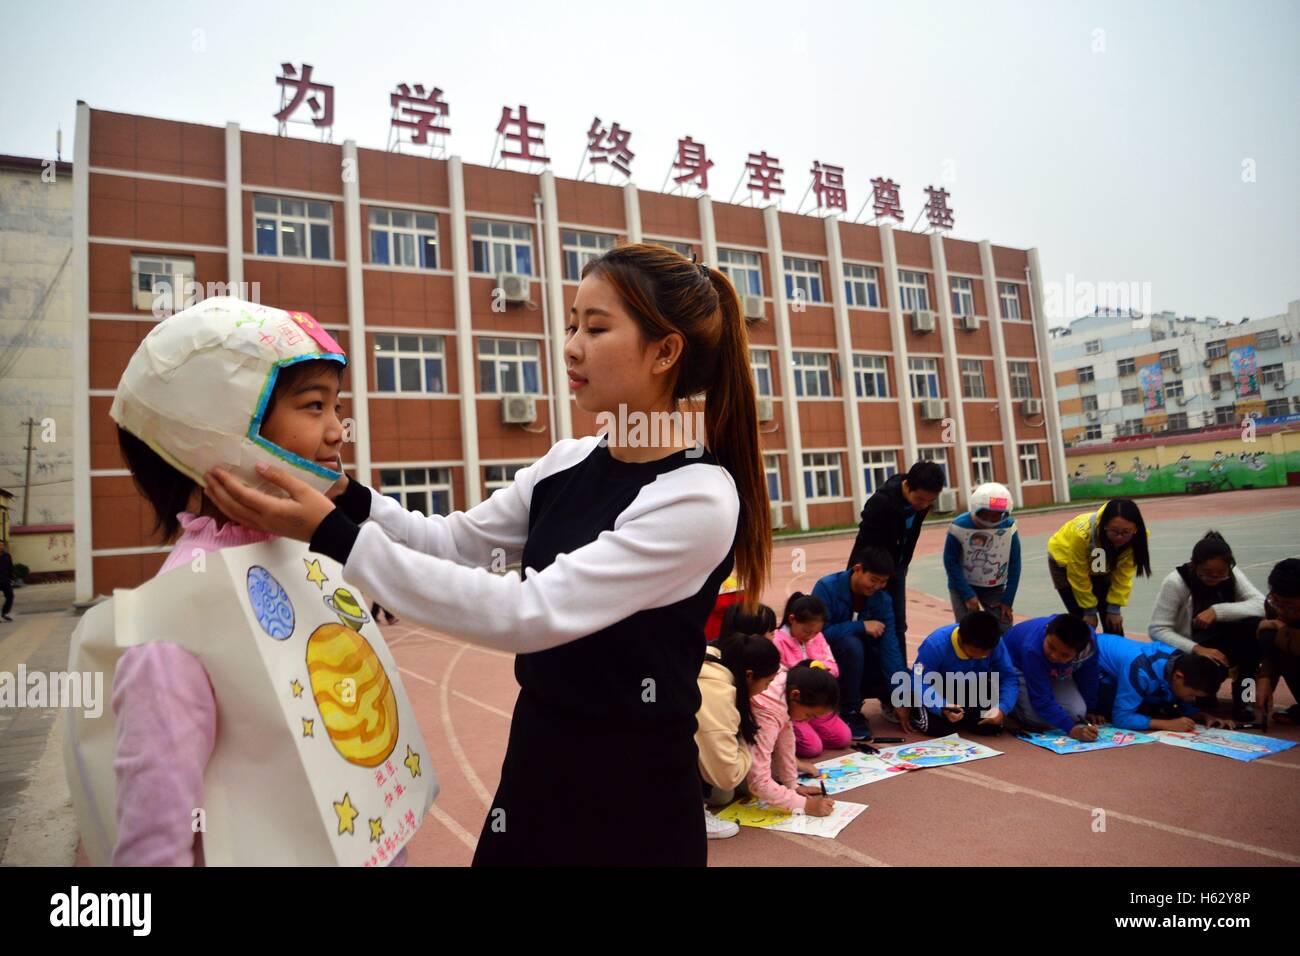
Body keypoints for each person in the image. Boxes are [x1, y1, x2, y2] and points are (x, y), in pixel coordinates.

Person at [205, 244, 771, 866]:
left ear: (666, 352)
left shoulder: (697, 496)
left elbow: (531, 612)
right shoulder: (568, 461)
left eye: (598, 327)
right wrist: (347, 498)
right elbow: (455, 542)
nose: (573, 346)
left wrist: (334, 535)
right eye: (573, 324)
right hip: (536, 758)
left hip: (631, 790)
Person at [70, 297, 427, 865]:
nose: (338, 432)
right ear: (220, 433)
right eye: (315, 407)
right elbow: (153, 848)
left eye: (336, 407)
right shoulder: (173, 624)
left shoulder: (305, 555)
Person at [846, 461, 945, 692]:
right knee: (862, 625)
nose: (924, 506)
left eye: (930, 501)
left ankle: (898, 690)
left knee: (897, 625)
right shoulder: (881, 503)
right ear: (907, 486)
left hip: (895, 570)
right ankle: (859, 690)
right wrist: (872, 578)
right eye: (920, 500)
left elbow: (910, 536)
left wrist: (900, 568)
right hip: (869, 570)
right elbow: (867, 543)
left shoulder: (921, 501)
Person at [1148, 531, 1264, 720]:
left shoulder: (1232, 575)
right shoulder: (1176, 582)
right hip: (1191, 646)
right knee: (1207, 673)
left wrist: (1217, 611)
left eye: (1221, 574)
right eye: (1207, 574)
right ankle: (1205, 691)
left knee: (1254, 628)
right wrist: (1197, 649)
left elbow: (1261, 604)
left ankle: (1245, 699)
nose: (1215, 579)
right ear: (1194, 566)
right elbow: (1157, 629)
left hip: (1223, 640)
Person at [696, 632, 780, 838]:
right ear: (749, 675)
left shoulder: (715, 657)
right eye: (767, 683)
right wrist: (743, 740)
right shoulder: (717, 695)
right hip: (644, 752)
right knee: (725, 785)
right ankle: (688, 814)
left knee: (722, 796)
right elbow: (728, 776)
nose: (766, 689)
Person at [812, 546, 901, 740]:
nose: (876, 586)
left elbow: (890, 646)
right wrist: (861, 626)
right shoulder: (827, 588)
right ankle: (850, 711)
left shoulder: (882, 600)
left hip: (864, 663)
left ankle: (890, 702)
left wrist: (900, 696)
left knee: (896, 664)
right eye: (873, 580)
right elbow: (817, 634)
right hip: (830, 663)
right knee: (851, 644)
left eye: (883, 582)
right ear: (858, 569)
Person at [746, 661, 840, 816]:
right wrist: (804, 805)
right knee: (726, 793)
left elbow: (786, 739)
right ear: (795, 695)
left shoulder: (785, 682)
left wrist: (791, 784)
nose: (807, 722)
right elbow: (758, 782)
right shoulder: (768, 710)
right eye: (809, 715)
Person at [904, 610, 1018, 736]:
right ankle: (915, 709)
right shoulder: (935, 645)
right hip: (937, 689)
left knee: (989, 726)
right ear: (960, 638)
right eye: (973, 652)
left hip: (971, 687)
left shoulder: (994, 643)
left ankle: (966, 715)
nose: (981, 656)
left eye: (986, 653)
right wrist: (942, 706)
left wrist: (1002, 708)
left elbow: (1009, 677)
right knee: (937, 728)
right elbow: (918, 680)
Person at [1047, 498, 1151, 635]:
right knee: (1083, 622)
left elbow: (1123, 575)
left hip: (1099, 558)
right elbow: (1078, 574)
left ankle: (1114, 652)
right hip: (1064, 561)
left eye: (1126, 532)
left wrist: (1114, 608)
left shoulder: (1138, 538)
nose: (1120, 537)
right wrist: (1089, 610)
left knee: (1113, 622)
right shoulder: (1082, 535)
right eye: (1114, 531)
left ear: (1136, 529)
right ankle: (1081, 652)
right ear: (1104, 526)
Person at [1094, 632, 1234, 732]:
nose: (1190, 699)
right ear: (1178, 677)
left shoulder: (1179, 662)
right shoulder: (1141, 670)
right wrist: (1166, 724)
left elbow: (1173, 701)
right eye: (1191, 694)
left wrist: (1202, 716)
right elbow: (1121, 718)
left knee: (1160, 701)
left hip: (1121, 666)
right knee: (1142, 706)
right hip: (1092, 665)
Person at [772, 593, 852, 758]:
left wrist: (821, 668)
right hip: (795, 706)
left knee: (843, 738)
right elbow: (776, 678)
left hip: (816, 704)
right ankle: (788, 737)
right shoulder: (777, 641)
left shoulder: (817, 638)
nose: (810, 636)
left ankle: (811, 728)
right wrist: (803, 672)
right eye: (807, 631)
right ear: (792, 619)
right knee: (812, 748)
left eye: (815, 632)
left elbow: (834, 667)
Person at [1003, 614, 1104, 740]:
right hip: (1018, 665)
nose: (1055, 656)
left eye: (1065, 654)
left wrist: (1091, 709)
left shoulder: (1089, 644)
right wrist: (1070, 728)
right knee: (1034, 718)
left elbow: (1089, 675)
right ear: (1046, 632)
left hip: (1054, 670)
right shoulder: (1032, 648)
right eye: (1051, 646)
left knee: (1077, 713)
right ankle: (1007, 706)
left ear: (1078, 653)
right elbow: (1040, 698)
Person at [943, 482, 1020, 631]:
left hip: (994, 588)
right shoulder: (958, 527)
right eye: (986, 514)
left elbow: (1015, 563)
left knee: (1004, 627)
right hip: (961, 585)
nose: (990, 521)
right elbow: (950, 561)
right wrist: (968, 595)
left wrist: (1008, 600)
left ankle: (1000, 654)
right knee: (967, 629)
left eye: (996, 516)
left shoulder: (1009, 528)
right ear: (976, 509)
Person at [1257, 558, 1300, 725]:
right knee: (1268, 634)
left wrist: (1283, 629)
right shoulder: (1273, 606)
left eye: (1291, 607)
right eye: (1278, 603)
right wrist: (1265, 678)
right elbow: (1272, 648)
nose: (1282, 611)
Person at [0, 540, 14, 622]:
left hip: (5, 580)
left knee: (10, 596)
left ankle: (4, 613)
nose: (1, 547)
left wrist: (12, 578)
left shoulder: (7, 555)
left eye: (2, 545)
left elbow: (10, 567)